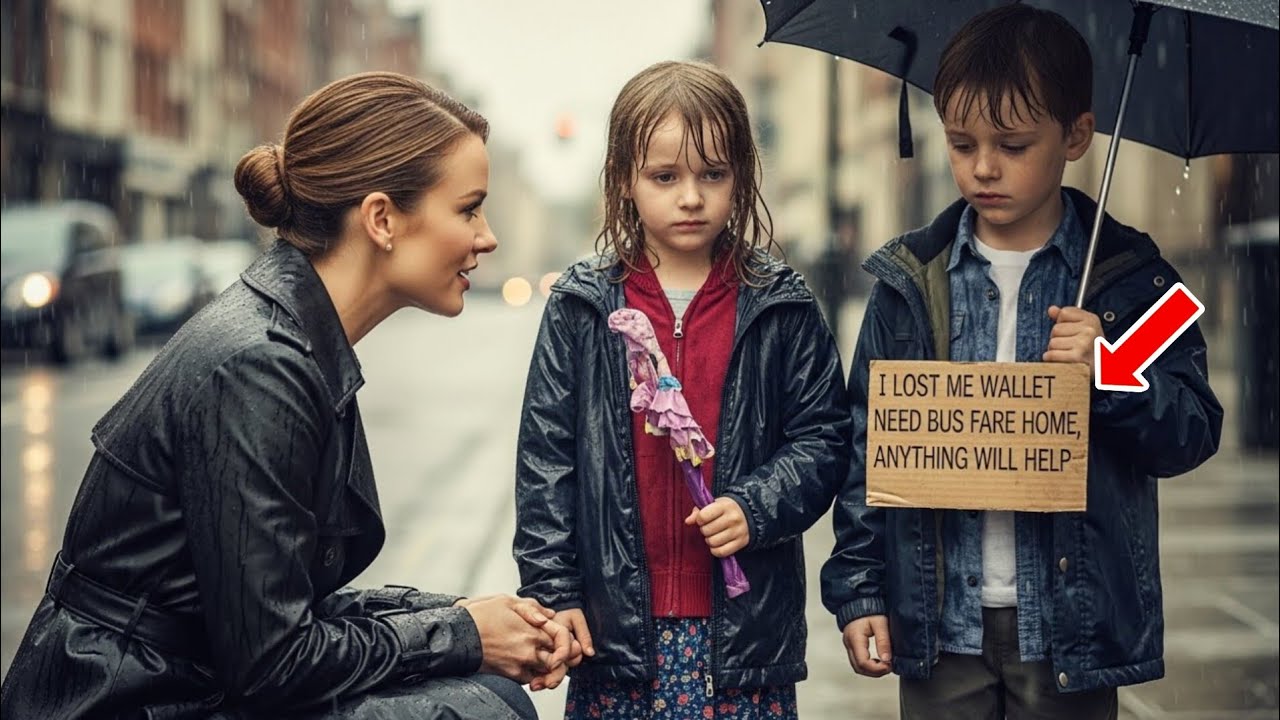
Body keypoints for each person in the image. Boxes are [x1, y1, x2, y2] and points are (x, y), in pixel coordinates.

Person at [0, 71, 577, 720]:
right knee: (485, 711)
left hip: (175, 683)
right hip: (126, 701)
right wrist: (464, 636)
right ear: (382, 219)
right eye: (468, 208)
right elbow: (273, 661)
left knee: (488, 695)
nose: (486, 237)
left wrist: (458, 616)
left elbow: (280, 608)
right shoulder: (259, 366)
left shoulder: (294, 334)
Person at [821, 6, 1224, 719]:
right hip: (942, 626)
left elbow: (1191, 429)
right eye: (961, 143)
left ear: (1075, 135)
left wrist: (1110, 372)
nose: (982, 167)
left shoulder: (1131, 282)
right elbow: (866, 447)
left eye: (1011, 144)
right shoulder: (910, 282)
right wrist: (859, 588)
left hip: (1070, 627)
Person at [513, 60, 850, 719]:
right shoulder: (583, 305)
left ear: (742, 177)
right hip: (616, 634)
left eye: (712, 175)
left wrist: (757, 506)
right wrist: (556, 594)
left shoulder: (778, 303)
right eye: (665, 177)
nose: (691, 197)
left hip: (744, 635)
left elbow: (825, 437)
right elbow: (546, 465)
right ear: (624, 181)